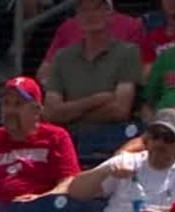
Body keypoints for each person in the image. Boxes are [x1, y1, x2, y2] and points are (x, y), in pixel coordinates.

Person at [66, 108, 175, 212]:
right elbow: (75, 190)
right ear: (147, 139)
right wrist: (106, 171)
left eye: (168, 138)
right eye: (155, 136)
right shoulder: (126, 161)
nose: (160, 143)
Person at [0, 77, 80, 208]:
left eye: (18, 104)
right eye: (6, 103)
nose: (10, 110)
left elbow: (69, 181)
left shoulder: (56, 137)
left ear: (36, 110)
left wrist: (42, 199)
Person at [41, 0, 143, 128]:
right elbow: (50, 112)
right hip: (70, 135)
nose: (90, 14)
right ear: (77, 16)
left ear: (109, 13)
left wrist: (69, 114)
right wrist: (96, 100)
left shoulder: (128, 52)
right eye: (84, 10)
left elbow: (119, 110)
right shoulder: (62, 57)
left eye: (97, 8)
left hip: (111, 134)